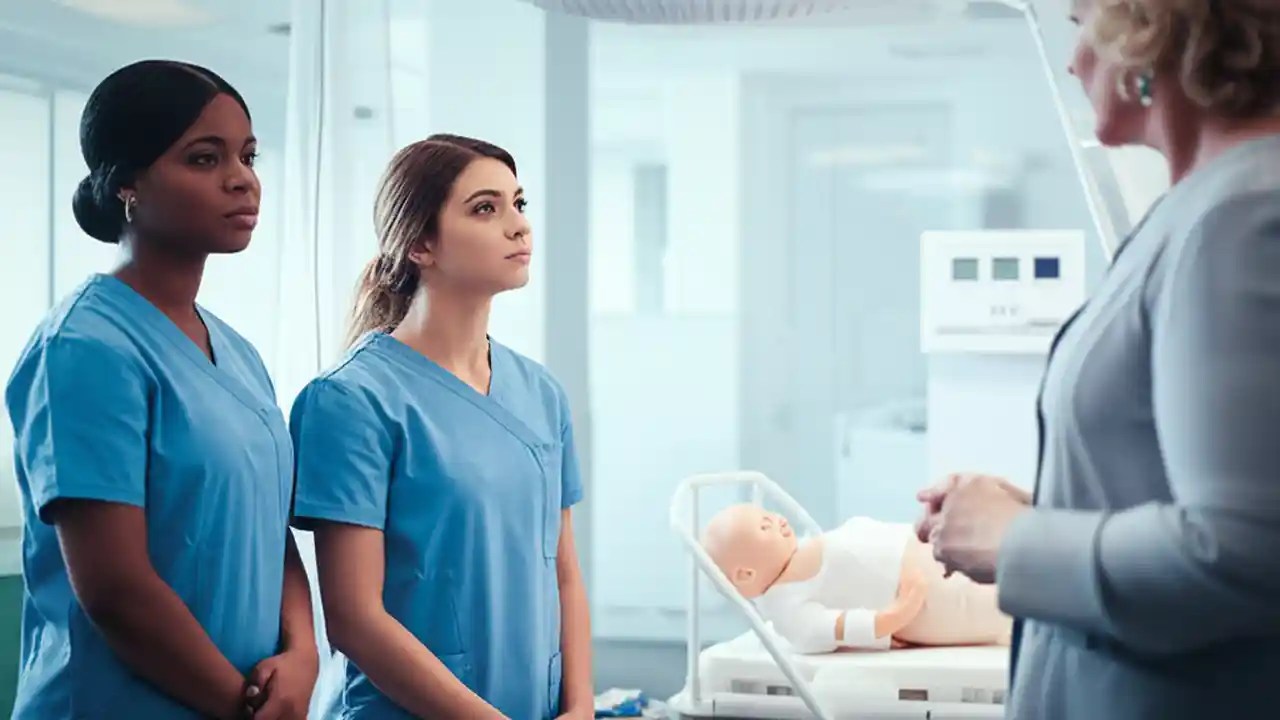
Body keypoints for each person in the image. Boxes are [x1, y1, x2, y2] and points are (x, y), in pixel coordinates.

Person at [913, 1, 1280, 717]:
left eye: (1081, 23)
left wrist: (1015, 539)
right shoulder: (1199, 209)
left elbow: (1247, 552)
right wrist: (1053, 507)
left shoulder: (1241, 217)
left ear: (1157, 28)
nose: (1073, 58)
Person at [4, 60, 317, 719]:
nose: (243, 179)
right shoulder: (86, 347)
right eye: (204, 159)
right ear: (129, 187)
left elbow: (270, 531)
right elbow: (117, 592)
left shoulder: (238, 353)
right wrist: (242, 707)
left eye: (248, 155)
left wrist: (303, 652)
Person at [289, 134, 592, 719]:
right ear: (421, 243)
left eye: (518, 204)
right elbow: (354, 618)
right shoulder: (351, 401)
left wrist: (579, 708)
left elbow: (566, 574)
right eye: (486, 208)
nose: (518, 226)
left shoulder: (540, 393)